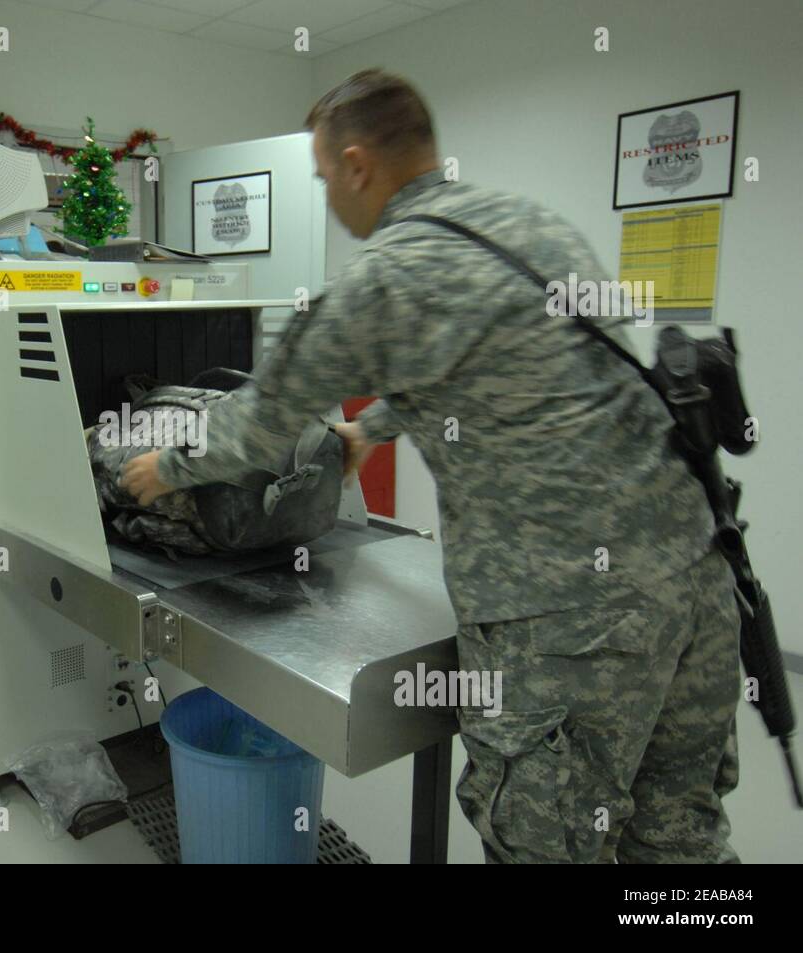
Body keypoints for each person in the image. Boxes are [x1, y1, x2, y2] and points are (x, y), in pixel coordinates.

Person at [120, 70, 741, 863]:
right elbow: (514, 370)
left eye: (321, 177)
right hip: (696, 577)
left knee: (546, 848)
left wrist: (166, 467)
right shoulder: (528, 225)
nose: (328, 198)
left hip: (570, 623)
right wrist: (369, 429)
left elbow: (257, 425)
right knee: (680, 836)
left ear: (355, 164)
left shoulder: (382, 277)